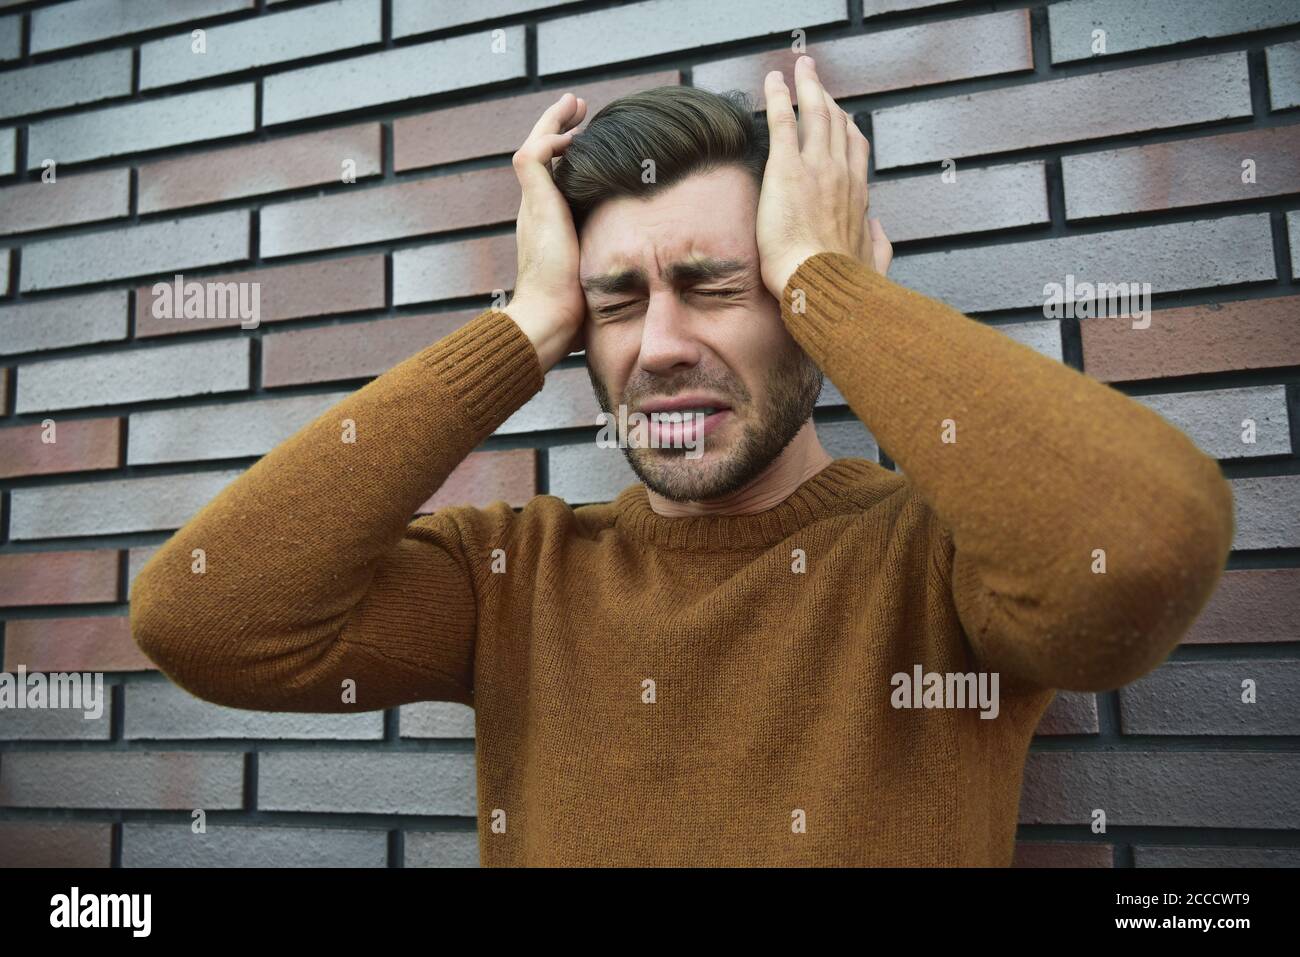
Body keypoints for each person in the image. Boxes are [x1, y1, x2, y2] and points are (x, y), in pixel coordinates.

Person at [130, 56, 1235, 866]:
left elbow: (1139, 544)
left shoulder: (942, 557)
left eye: (716, 286)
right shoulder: (516, 575)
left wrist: (831, 283)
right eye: (613, 304)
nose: (658, 346)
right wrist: (520, 325)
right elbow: (203, 614)